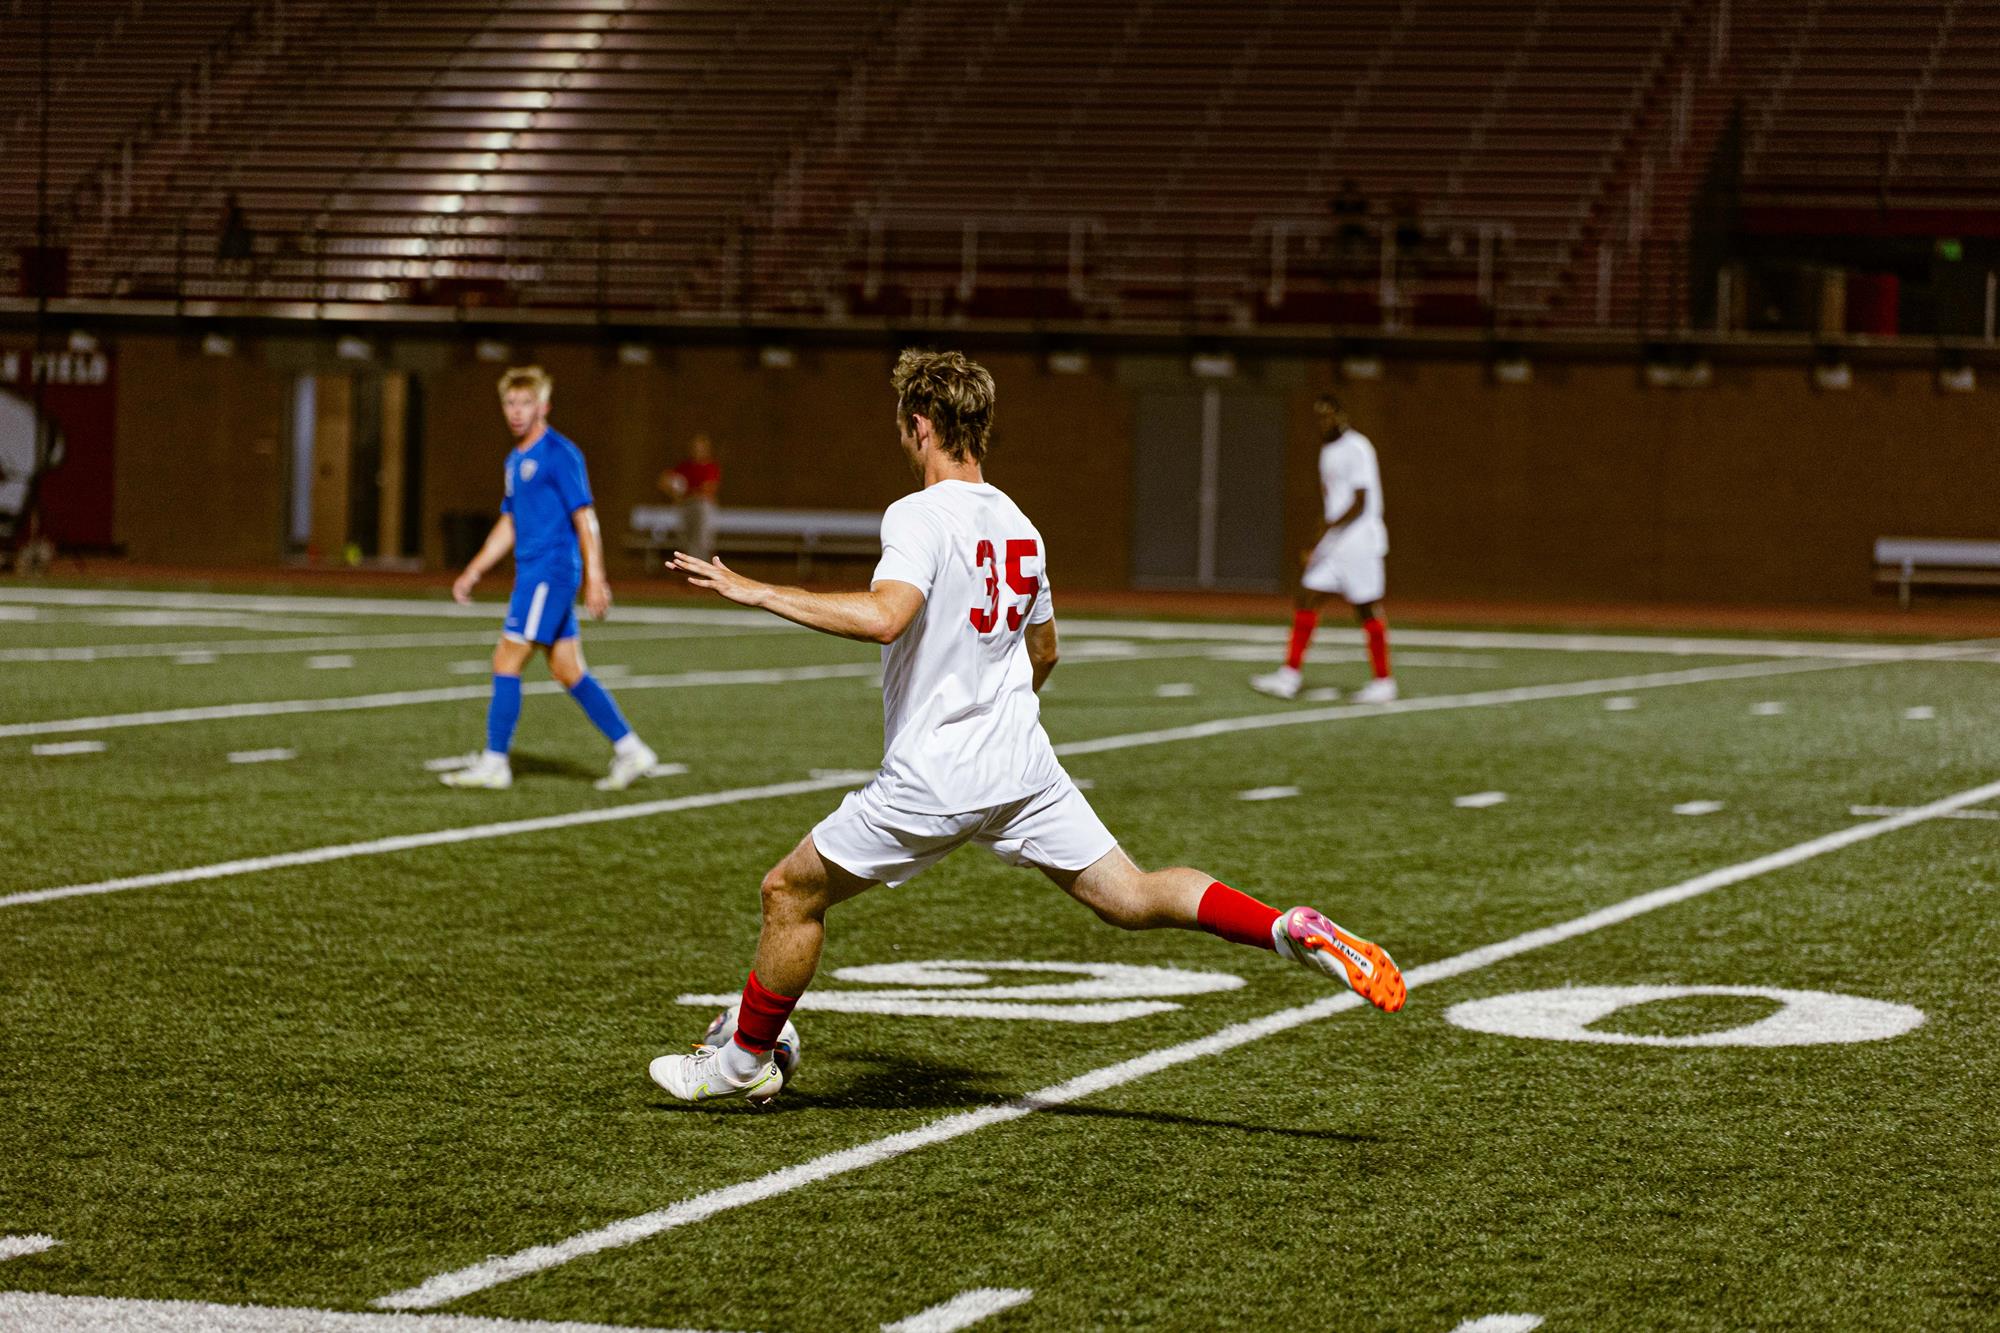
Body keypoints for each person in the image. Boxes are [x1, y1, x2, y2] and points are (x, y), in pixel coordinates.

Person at [649, 350, 1405, 1105]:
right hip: (1022, 766)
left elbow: (886, 617)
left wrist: (756, 591)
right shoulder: (1021, 524)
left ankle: (742, 1061)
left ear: (921, 425)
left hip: (939, 774)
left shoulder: (917, 514)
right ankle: (1284, 926)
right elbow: (1045, 652)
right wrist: (996, 713)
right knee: (1132, 895)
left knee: (789, 893)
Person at [443, 365, 660, 792]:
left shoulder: (560, 453)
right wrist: (474, 570)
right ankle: (632, 750)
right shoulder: (515, 460)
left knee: (506, 660)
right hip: (535, 573)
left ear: (543, 406)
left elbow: (585, 517)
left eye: (525, 403)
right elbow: (510, 522)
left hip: (550, 573)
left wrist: (596, 577)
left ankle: (495, 763)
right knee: (567, 670)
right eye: (510, 403)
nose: (516, 411)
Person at [1252, 394, 1395, 703]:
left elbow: (1360, 502)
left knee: (1366, 607)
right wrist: (1319, 539)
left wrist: (1324, 534)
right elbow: (1333, 503)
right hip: (1336, 540)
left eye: (1330, 414)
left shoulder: (1357, 447)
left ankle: (1383, 682)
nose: (1325, 421)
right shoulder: (1328, 450)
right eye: (1320, 416)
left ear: (1342, 415)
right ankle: (1288, 676)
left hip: (1359, 540)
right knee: (1307, 596)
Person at [658, 433, 722, 562]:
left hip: (701, 507)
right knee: (686, 540)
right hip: (686, 506)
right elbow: (663, 481)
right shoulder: (685, 466)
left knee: (702, 540)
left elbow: (708, 489)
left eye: (701, 447)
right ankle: (688, 567)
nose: (698, 450)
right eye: (695, 447)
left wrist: (687, 492)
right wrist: (674, 492)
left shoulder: (710, 467)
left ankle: (701, 567)